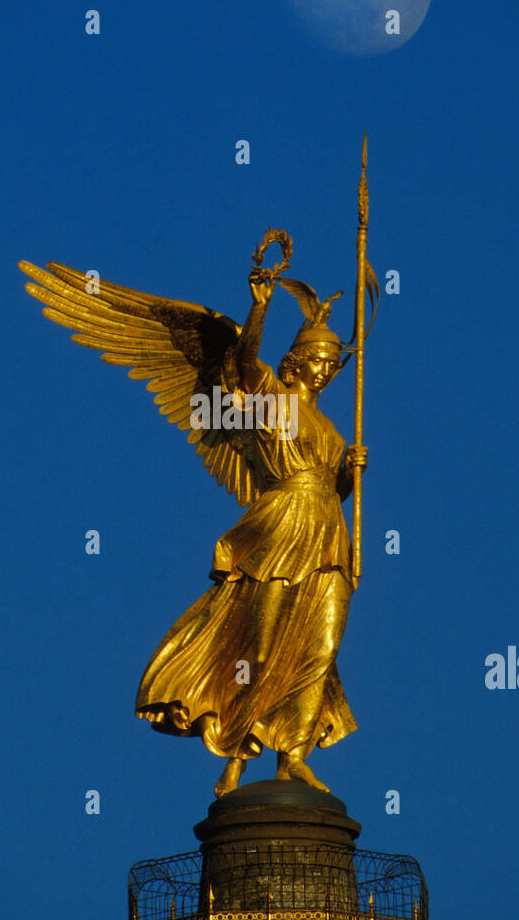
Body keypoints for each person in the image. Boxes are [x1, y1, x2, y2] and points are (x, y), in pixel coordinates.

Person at [136, 266, 367, 796]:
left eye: (332, 363)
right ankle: (236, 748)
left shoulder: (332, 430)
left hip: (327, 533)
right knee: (257, 651)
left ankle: (294, 755)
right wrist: (259, 306)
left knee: (323, 645)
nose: (325, 369)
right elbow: (240, 363)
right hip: (279, 526)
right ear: (294, 362)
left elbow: (333, 492)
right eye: (317, 359)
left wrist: (348, 475)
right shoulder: (266, 399)